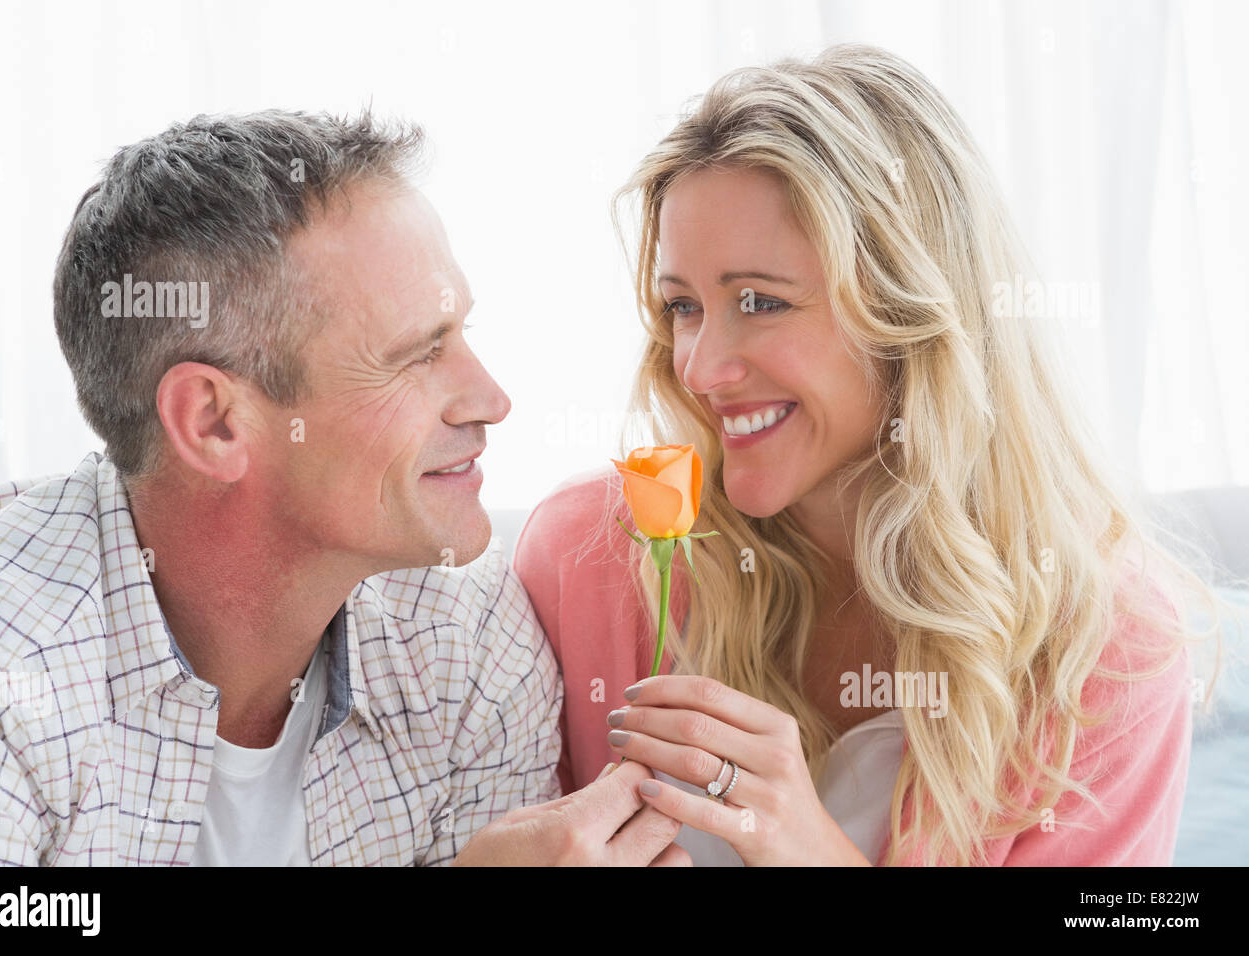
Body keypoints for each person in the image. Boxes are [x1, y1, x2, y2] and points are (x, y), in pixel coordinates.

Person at [514, 43, 1216, 866]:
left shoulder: (1104, 650)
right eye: (682, 306)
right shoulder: (585, 555)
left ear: (912, 315)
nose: (700, 367)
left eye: (760, 301)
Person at [0, 110, 686, 866]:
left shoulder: (467, 641)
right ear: (213, 423)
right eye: (415, 356)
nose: (491, 400)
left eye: (461, 334)